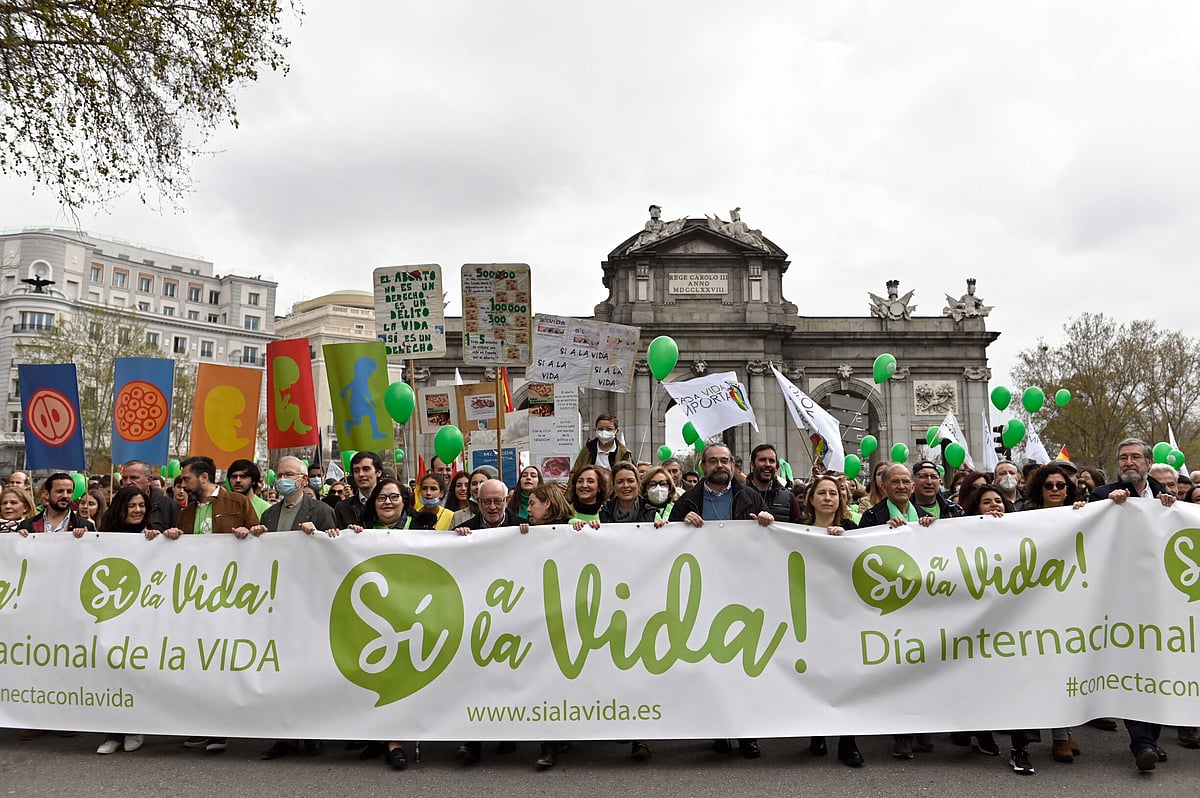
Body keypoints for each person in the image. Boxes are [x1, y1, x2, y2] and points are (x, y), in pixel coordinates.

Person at [668, 443, 772, 760]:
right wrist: (680, 524)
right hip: (702, 591)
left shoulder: (750, 496)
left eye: (724, 460)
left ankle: (747, 734)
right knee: (710, 665)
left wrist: (766, 522)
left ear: (732, 463)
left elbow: (766, 542)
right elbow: (665, 540)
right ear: (703, 466)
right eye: (713, 461)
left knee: (743, 666)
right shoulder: (686, 500)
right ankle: (717, 729)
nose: (719, 465)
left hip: (741, 589)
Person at [1085, 438, 1177, 772]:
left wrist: (1171, 508)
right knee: (1130, 668)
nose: (1128, 462)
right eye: (1122, 457)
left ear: (1148, 461)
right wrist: (1109, 506)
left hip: (1159, 598)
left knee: (1155, 667)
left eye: (1135, 457)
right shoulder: (1102, 496)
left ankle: (1149, 739)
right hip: (1119, 598)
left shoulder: (1166, 497)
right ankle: (1142, 743)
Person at [954, 484, 1031, 773]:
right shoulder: (961, 535)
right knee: (980, 680)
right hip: (976, 623)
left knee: (1017, 685)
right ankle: (980, 730)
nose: (994, 505)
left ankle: (1020, 748)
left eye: (998, 501)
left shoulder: (1020, 531)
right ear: (977, 508)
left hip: (1013, 623)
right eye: (987, 502)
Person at [799, 474, 862, 766]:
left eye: (833, 494)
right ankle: (817, 731)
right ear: (811, 499)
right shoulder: (796, 531)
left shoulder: (852, 529)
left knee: (846, 676)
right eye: (822, 493)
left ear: (841, 499)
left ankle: (848, 741)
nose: (828, 498)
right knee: (817, 674)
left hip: (844, 612)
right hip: (810, 612)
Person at [92, 485, 152, 755]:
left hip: (141, 615)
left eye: (142, 505)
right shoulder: (105, 537)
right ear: (121, 508)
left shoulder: (152, 535)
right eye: (132, 506)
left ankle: (135, 727)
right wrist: (81, 537)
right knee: (110, 670)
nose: (138, 510)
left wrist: (165, 538)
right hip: (111, 611)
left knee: (134, 671)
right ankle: (112, 733)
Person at [250, 456, 337, 539]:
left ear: (304, 479)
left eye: (289, 474)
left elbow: (329, 546)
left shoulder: (322, 511)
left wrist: (316, 533)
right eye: (279, 475)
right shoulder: (268, 514)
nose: (282, 479)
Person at [857, 464, 936, 530]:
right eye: (895, 482)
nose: (901, 487)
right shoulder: (871, 518)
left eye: (905, 482)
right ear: (884, 487)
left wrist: (932, 527)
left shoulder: (926, 517)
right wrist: (883, 529)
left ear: (912, 487)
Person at [17, 474, 95, 537]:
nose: (65, 496)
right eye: (59, 491)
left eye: (69, 492)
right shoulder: (27, 525)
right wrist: (19, 537)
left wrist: (87, 539)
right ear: (46, 494)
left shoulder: (85, 526)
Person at [747, 444, 802, 522]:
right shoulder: (739, 495)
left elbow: (798, 529)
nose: (767, 464)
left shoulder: (789, 497)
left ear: (776, 467)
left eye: (771, 461)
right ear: (752, 465)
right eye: (762, 460)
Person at [120, 459, 181, 531]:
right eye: (124, 478)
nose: (128, 482)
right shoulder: (116, 504)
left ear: (149, 480)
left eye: (134, 478)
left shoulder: (168, 506)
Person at [598, 462, 664, 525]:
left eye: (631, 481)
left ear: (638, 483)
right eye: (620, 482)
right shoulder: (603, 513)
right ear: (613, 486)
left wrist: (663, 527)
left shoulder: (651, 513)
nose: (626, 485)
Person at [334, 451, 384, 528]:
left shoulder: (390, 504)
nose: (361, 474)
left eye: (366, 469)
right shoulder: (342, 507)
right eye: (356, 471)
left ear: (378, 472)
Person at [454, 479, 521, 536]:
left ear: (506, 501)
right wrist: (457, 537)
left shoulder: (522, 528)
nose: (492, 507)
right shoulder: (465, 530)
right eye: (487, 501)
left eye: (497, 501)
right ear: (479, 501)